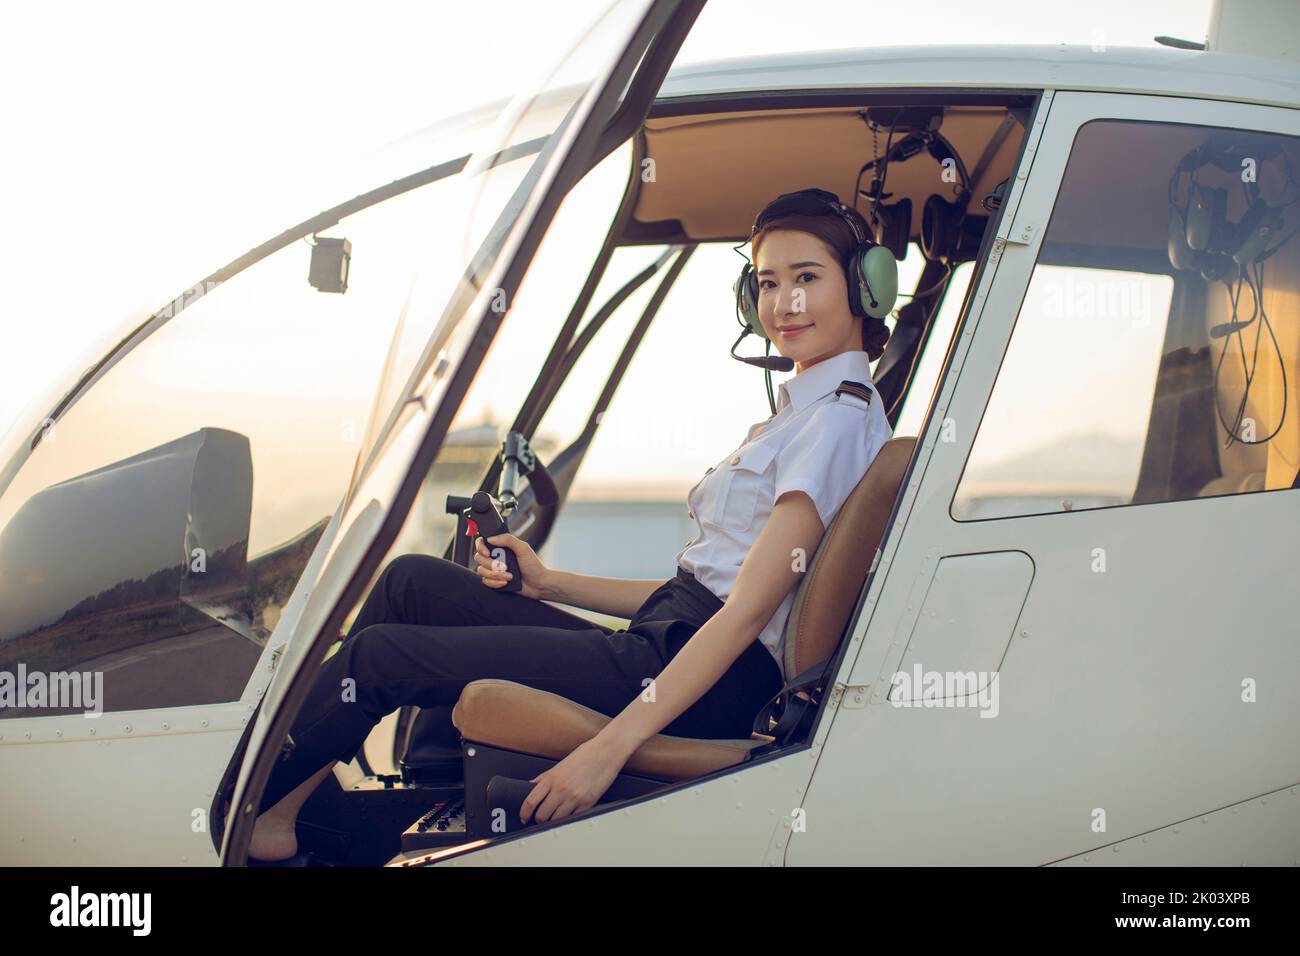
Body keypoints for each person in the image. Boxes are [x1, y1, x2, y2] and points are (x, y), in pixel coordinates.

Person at [241, 188, 895, 862]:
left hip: (711, 681)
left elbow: (739, 616)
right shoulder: (804, 415)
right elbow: (703, 590)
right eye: (767, 283)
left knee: (379, 659)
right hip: (675, 642)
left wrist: (603, 753)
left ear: (862, 290)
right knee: (412, 583)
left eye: (808, 279)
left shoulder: (836, 421)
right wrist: (548, 584)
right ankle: (295, 800)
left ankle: (251, 816)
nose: (784, 303)